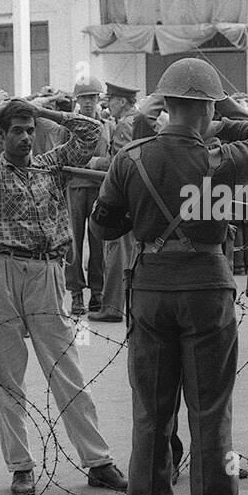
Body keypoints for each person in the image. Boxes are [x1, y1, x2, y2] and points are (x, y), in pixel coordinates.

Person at [92, 57, 248, 495]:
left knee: (152, 407)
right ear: (206, 107)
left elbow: (103, 226)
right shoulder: (221, 158)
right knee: (211, 407)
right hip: (207, 287)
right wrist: (225, 109)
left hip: (152, 289)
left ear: (165, 104)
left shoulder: (130, 158)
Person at [0, 91, 127, 495]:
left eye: (29, 131)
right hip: (2, 270)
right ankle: (21, 467)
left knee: (66, 368)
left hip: (48, 271)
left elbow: (91, 132)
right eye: (17, 131)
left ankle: (98, 461)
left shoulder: (52, 167)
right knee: (8, 374)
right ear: (1, 135)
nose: (26, 138)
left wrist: (39, 111)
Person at [92, 81, 140, 323]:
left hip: (123, 197)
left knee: (117, 251)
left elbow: (119, 163)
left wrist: (96, 163)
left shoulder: (124, 125)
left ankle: (111, 307)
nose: (107, 104)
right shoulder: (142, 119)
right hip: (139, 197)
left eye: (110, 99)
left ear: (121, 101)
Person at [64, 76, 108, 317]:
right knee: (74, 243)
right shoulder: (68, 125)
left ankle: (98, 292)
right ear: (77, 100)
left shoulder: (107, 125)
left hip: (100, 189)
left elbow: (114, 158)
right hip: (75, 188)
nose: (89, 102)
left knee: (98, 241)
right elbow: (59, 156)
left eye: (92, 97)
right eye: (84, 97)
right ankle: (76, 293)